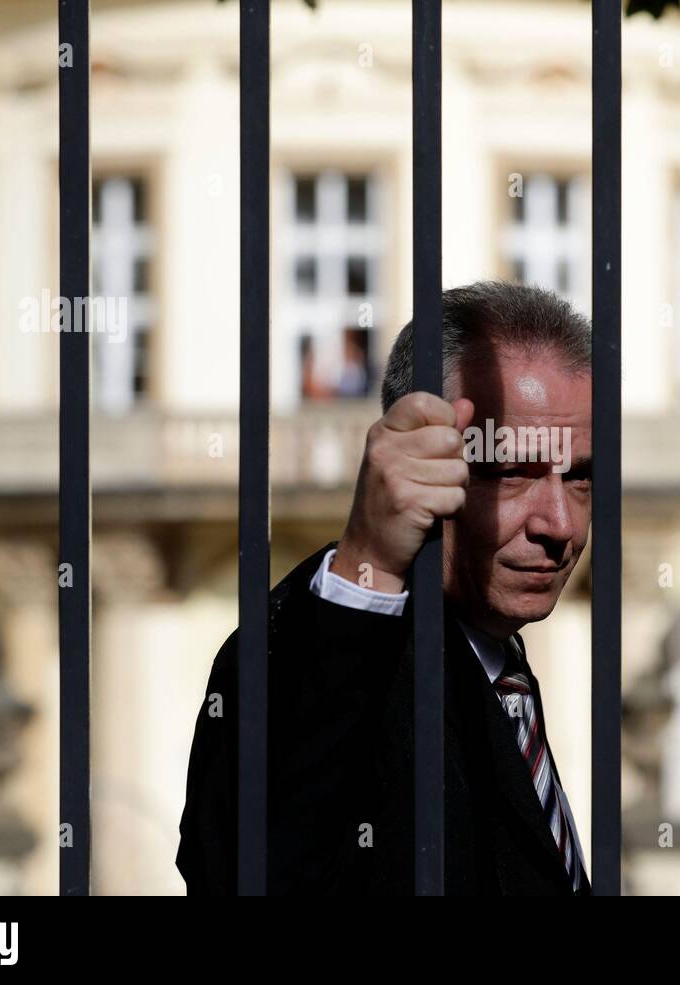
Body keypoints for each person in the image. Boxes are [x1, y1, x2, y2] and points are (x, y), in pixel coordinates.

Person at [177, 280, 594, 895]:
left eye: (580, 477)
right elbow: (245, 868)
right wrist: (369, 557)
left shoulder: (495, 652)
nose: (559, 524)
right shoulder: (310, 650)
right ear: (417, 460)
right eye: (510, 474)